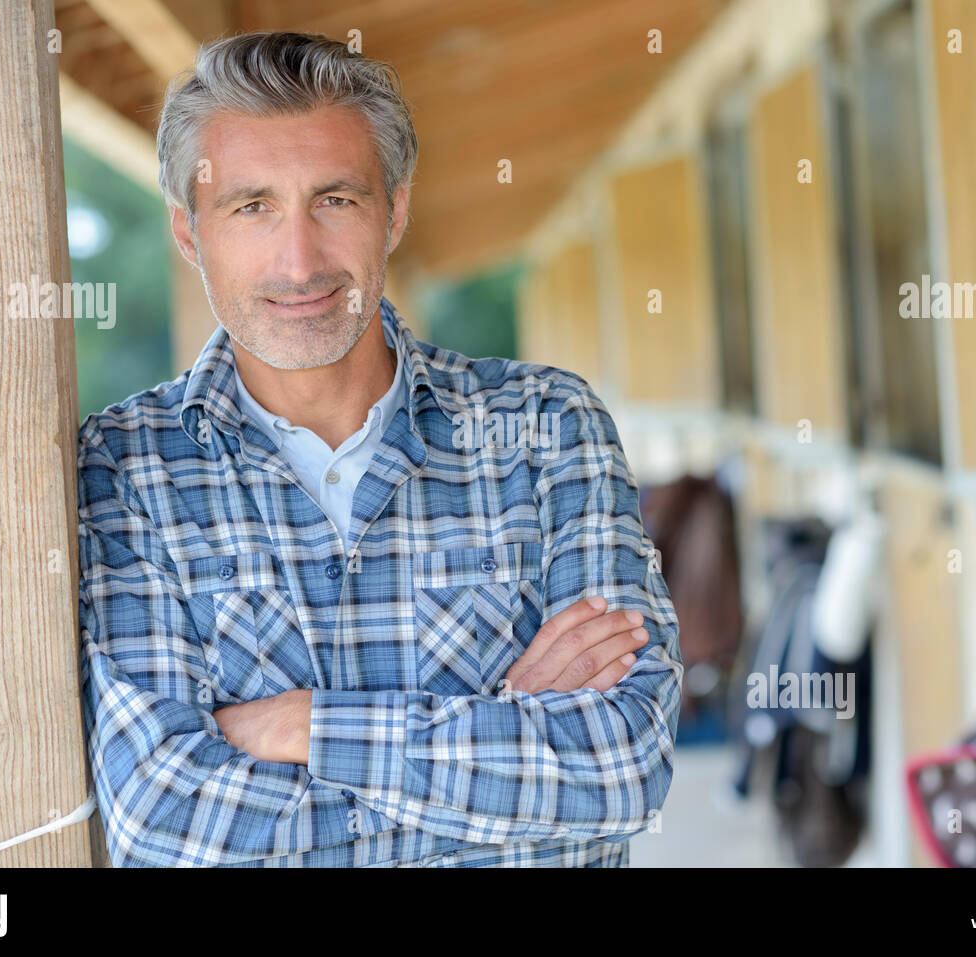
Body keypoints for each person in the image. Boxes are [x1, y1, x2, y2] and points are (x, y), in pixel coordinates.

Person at [77, 31, 682, 867]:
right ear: (188, 232)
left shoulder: (548, 425)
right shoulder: (122, 468)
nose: (299, 262)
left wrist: (301, 726)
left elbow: (622, 767)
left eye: (336, 200)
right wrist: (501, 744)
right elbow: (162, 818)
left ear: (394, 210)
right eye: (252, 206)